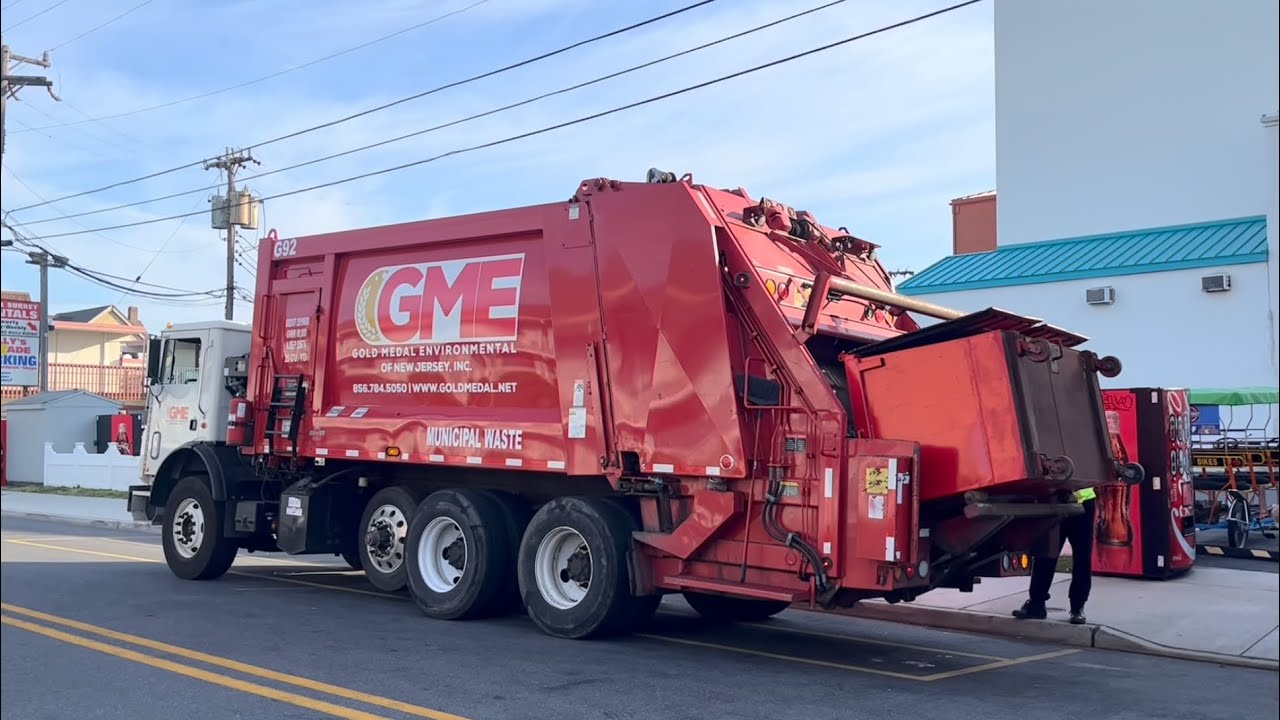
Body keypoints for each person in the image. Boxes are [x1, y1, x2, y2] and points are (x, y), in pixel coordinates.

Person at [1012, 487, 1096, 625]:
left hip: (1081, 503)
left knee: (1081, 557)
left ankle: (1077, 607)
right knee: (1046, 554)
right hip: (1056, 502)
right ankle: (1037, 604)